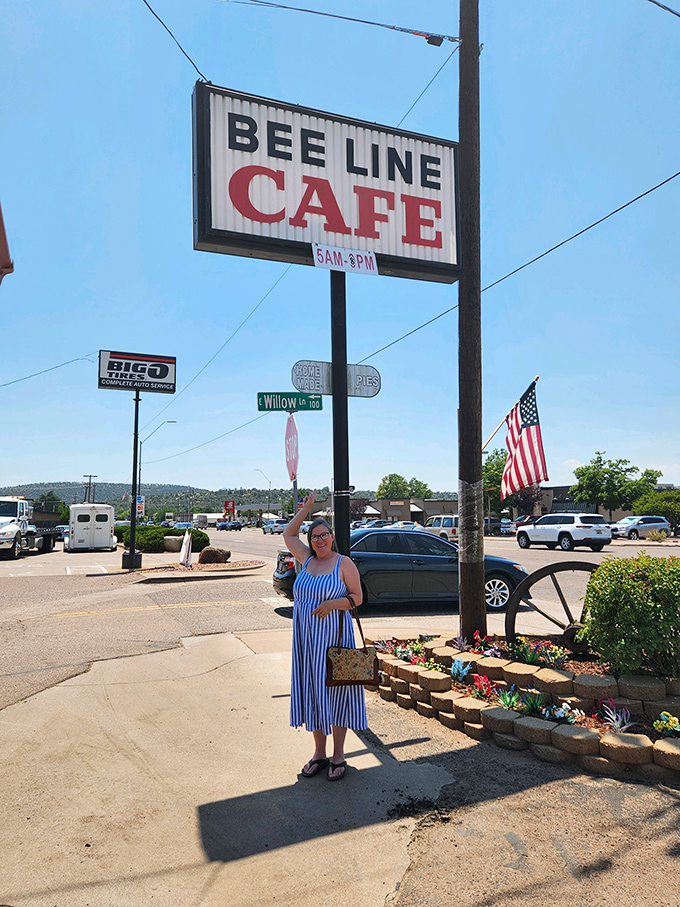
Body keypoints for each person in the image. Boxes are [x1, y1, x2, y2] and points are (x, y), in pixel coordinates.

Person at [283, 491, 367, 781]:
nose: (319, 540)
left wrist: (333, 604)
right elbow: (288, 534)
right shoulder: (305, 559)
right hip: (306, 642)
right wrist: (305, 510)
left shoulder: (343, 563)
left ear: (332, 537)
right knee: (313, 693)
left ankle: (339, 754)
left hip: (334, 641)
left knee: (337, 694)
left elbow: (358, 597)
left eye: (324, 535)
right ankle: (319, 753)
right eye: (314, 536)